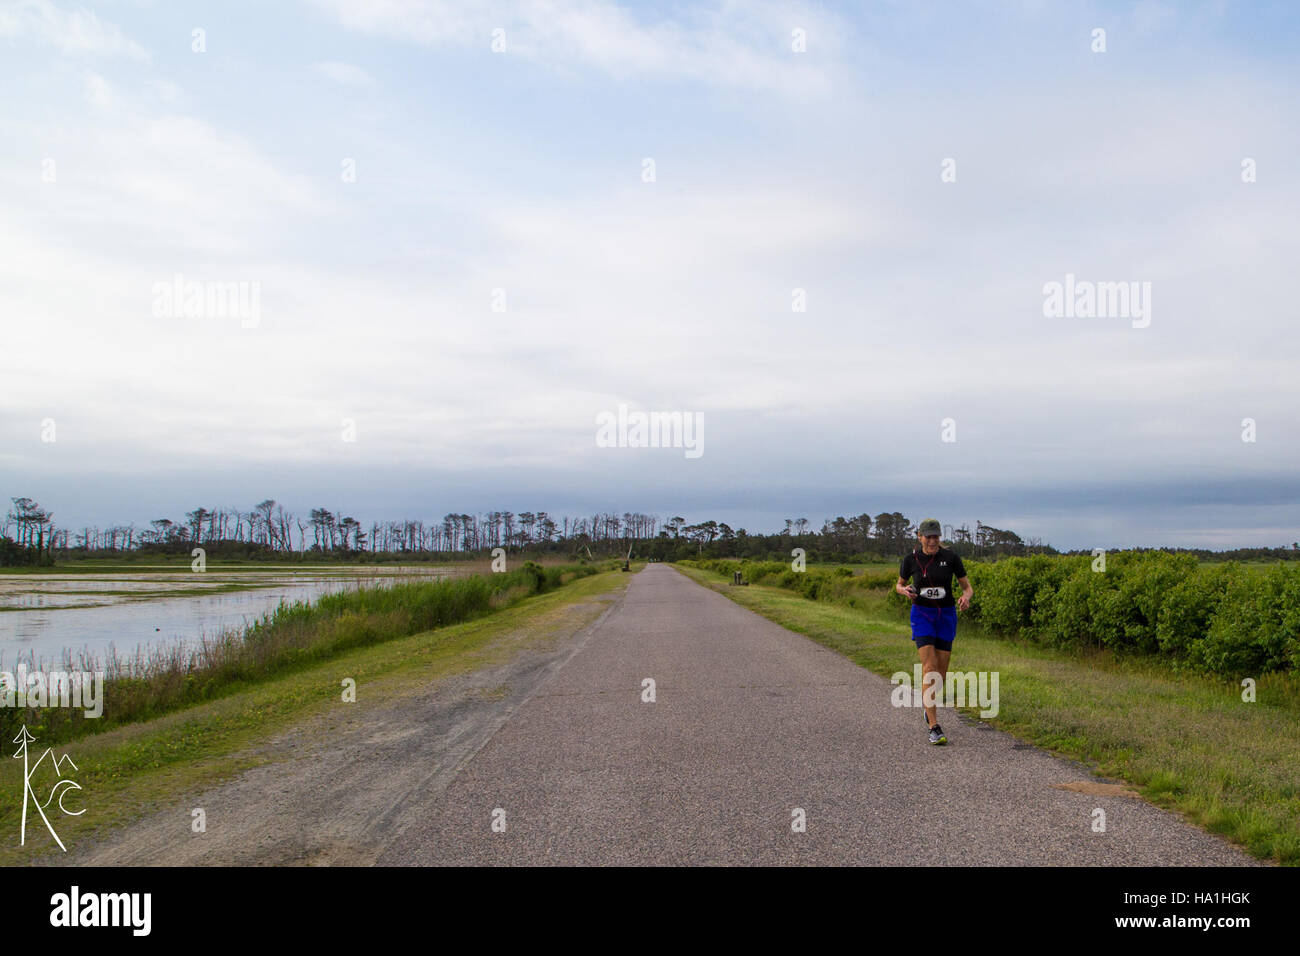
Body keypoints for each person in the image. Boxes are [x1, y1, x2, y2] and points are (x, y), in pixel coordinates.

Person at [895, 518, 973, 745]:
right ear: (919, 536)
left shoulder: (951, 558)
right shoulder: (910, 559)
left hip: (946, 615)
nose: (932, 541)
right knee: (928, 667)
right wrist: (904, 591)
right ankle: (934, 726)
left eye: (935, 537)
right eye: (928, 537)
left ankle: (927, 708)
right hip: (922, 615)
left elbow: (967, 587)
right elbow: (899, 584)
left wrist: (965, 598)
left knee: (940, 674)